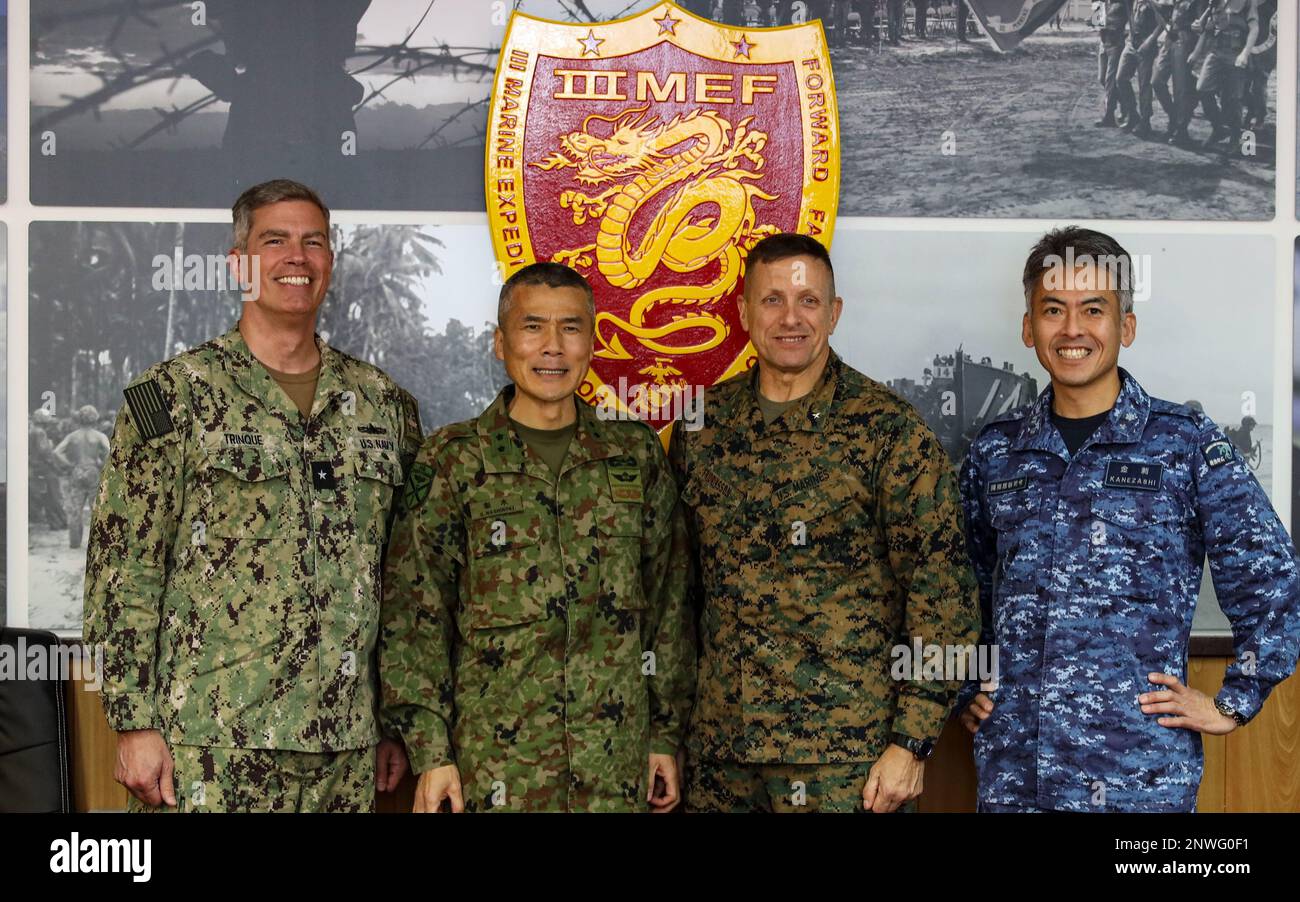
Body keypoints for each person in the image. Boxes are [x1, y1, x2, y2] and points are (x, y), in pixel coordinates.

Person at [83, 178, 422, 812]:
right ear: (239, 263)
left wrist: (396, 721)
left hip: (344, 750)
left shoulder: (384, 405)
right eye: (276, 241)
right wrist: (133, 720)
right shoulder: (174, 395)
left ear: (329, 263)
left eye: (313, 242)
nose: (297, 257)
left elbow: (401, 578)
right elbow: (122, 567)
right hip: (208, 748)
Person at [959, 227, 1300, 812]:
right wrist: (967, 680)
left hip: (1139, 780)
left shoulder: (1184, 445)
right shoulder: (996, 453)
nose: (1072, 330)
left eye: (1094, 309)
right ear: (1027, 327)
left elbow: (1271, 576)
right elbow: (956, 585)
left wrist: (1233, 701)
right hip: (1016, 776)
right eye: (1053, 310)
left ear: (1127, 326)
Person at [670, 234, 980, 813]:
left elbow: (943, 595)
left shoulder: (888, 431)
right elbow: (680, 594)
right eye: (772, 301)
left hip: (845, 764)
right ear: (742, 312)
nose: (791, 318)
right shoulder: (700, 427)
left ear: (834, 313)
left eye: (809, 301)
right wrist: (671, 733)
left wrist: (911, 742)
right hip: (720, 760)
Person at [380, 262, 694, 813]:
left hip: (614, 773)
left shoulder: (635, 456)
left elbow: (668, 604)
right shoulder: (454, 460)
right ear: (501, 343)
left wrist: (664, 733)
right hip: (495, 772)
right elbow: (415, 616)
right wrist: (431, 753)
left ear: (590, 342)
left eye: (570, 328)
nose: (553, 346)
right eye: (533, 327)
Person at [1190, 0, 1259, 151]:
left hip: (1236, 53)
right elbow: (1206, 27)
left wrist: (1245, 54)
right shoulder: (1214, 2)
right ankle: (1218, 128)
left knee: (1233, 99)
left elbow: (1254, 29)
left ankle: (1235, 138)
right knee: (1202, 88)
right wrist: (1198, 26)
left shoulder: (1246, 2)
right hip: (1216, 52)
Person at [54, 405, 110, 548]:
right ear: (95, 418)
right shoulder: (99, 436)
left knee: (75, 509)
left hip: (77, 471)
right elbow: (111, 452)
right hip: (93, 472)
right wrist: (101, 464)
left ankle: (74, 542)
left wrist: (69, 464)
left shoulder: (73, 436)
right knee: (96, 508)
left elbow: (57, 452)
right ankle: (99, 542)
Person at [1153, 0, 1205, 145]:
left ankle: (1181, 130)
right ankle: (1174, 117)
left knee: (1181, 89)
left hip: (1185, 39)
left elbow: (1204, 26)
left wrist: (1196, 52)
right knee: (1156, 81)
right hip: (1170, 38)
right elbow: (1164, 9)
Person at [1113, 0, 1164, 137]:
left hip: (1146, 44)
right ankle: (1133, 114)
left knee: (1144, 85)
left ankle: (1145, 121)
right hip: (1131, 43)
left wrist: (1150, 40)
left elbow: (1162, 22)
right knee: (1120, 78)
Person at [30, 410, 68, 531]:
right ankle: (61, 521)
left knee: (47, 496)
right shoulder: (40, 432)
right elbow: (45, 451)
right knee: (54, 495)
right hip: (45, 468)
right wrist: (54, 465)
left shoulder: (32, 431)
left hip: (36, 467)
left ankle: (55, 523)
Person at [1096, 0, 1130, 127]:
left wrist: (1107, 25)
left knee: (1110, 80)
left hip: (1116, 43)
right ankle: (1126, 105)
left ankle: (1109, 115)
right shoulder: (1099, 1)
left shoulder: (1124, 2)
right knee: (1102, 79)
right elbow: (1096, 22)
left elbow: (1130, 21)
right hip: (1103, 42)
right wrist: (1095, 22)